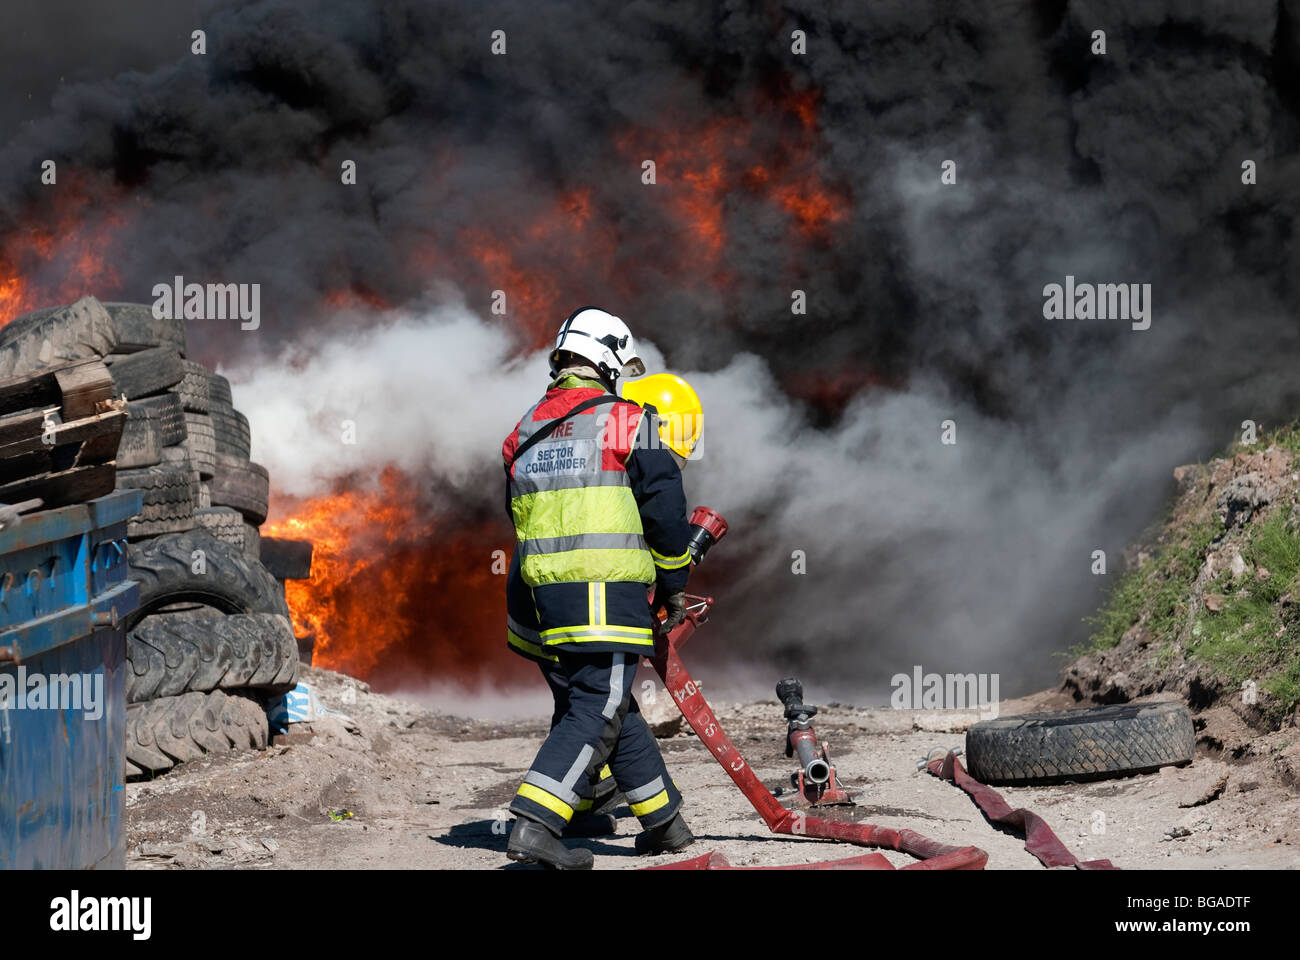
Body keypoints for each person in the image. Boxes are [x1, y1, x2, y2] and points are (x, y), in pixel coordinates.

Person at [501, 306, 699, 869]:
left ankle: (664, 824)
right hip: (603, 593)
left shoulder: (524, 432)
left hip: (541, 598)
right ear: (609, 360)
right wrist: (674, 580)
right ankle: (535, 824)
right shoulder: (627, 421)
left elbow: (520, 521)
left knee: (610, 704)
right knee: (600, 702)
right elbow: (664, 509)